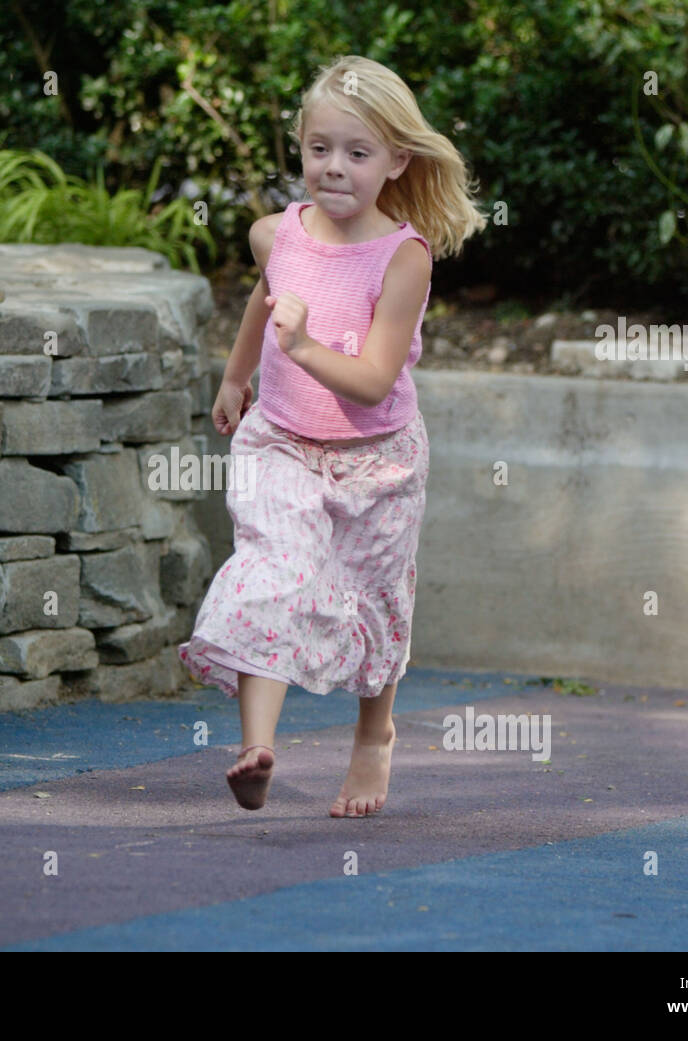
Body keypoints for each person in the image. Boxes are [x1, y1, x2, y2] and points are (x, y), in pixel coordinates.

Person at [177, 55, 487, 817]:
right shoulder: (273, 233)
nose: (335, 168)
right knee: (271, 568)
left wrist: (307, 348)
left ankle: (374, 735)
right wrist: (234, 376)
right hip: (280, 441)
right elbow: (264, 298)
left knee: (375, 601)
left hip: (377, 459)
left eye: (357, 153)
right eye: (320, 149)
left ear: (396, 160)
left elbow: (376, 378)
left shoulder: (404, 257)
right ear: (301, 148)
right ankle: (256, 746)